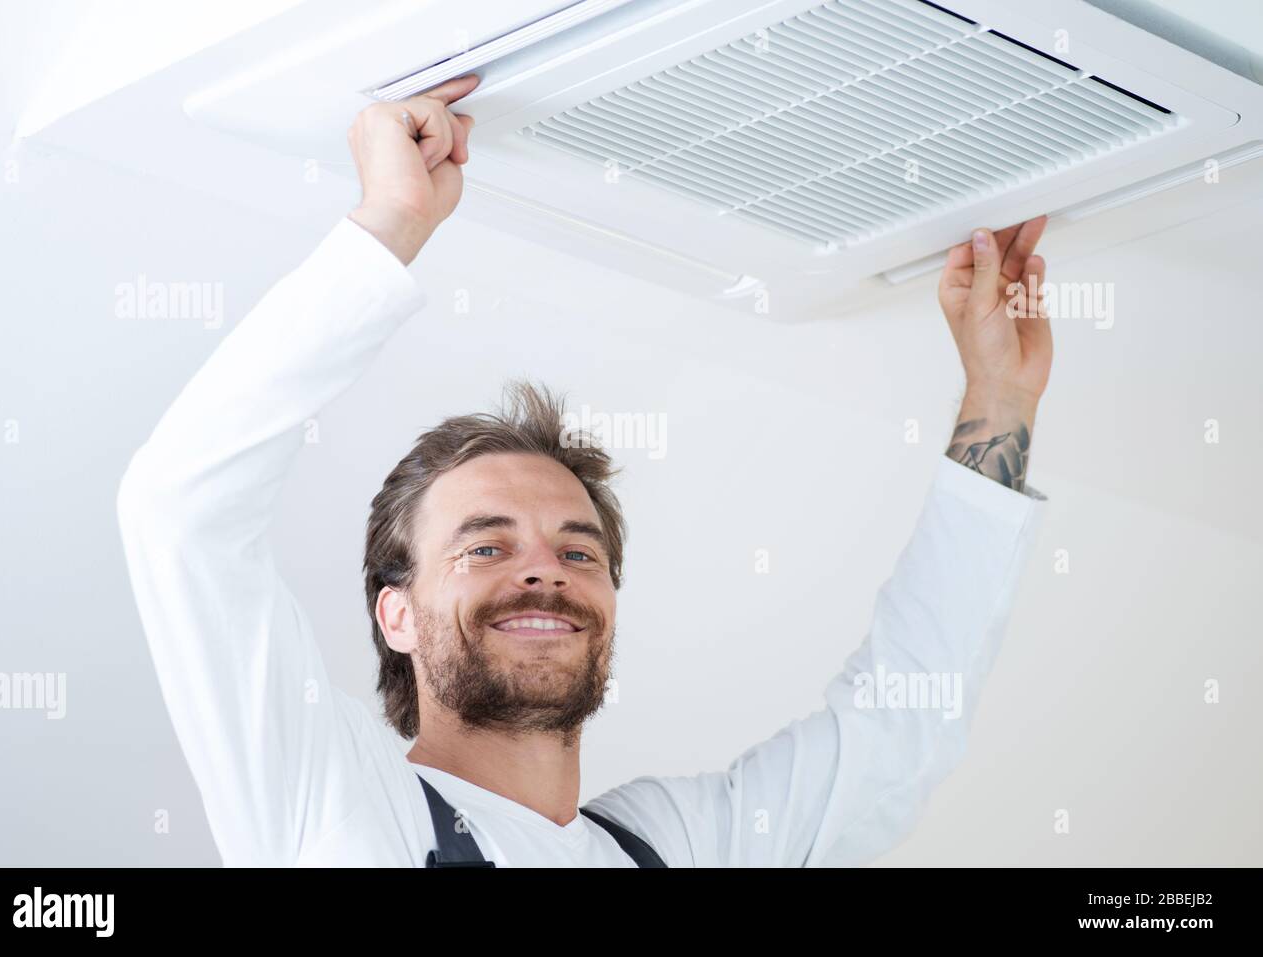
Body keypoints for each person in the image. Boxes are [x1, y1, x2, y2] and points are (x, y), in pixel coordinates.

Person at [116, 74, 1052, 867]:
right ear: (394, 613)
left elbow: (898, 734)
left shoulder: (668, 845)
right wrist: (389, 224)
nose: (544, 570)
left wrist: (998, 402)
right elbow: (180, 510)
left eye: (579, 549)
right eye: (485, 545)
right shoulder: (335, 807)